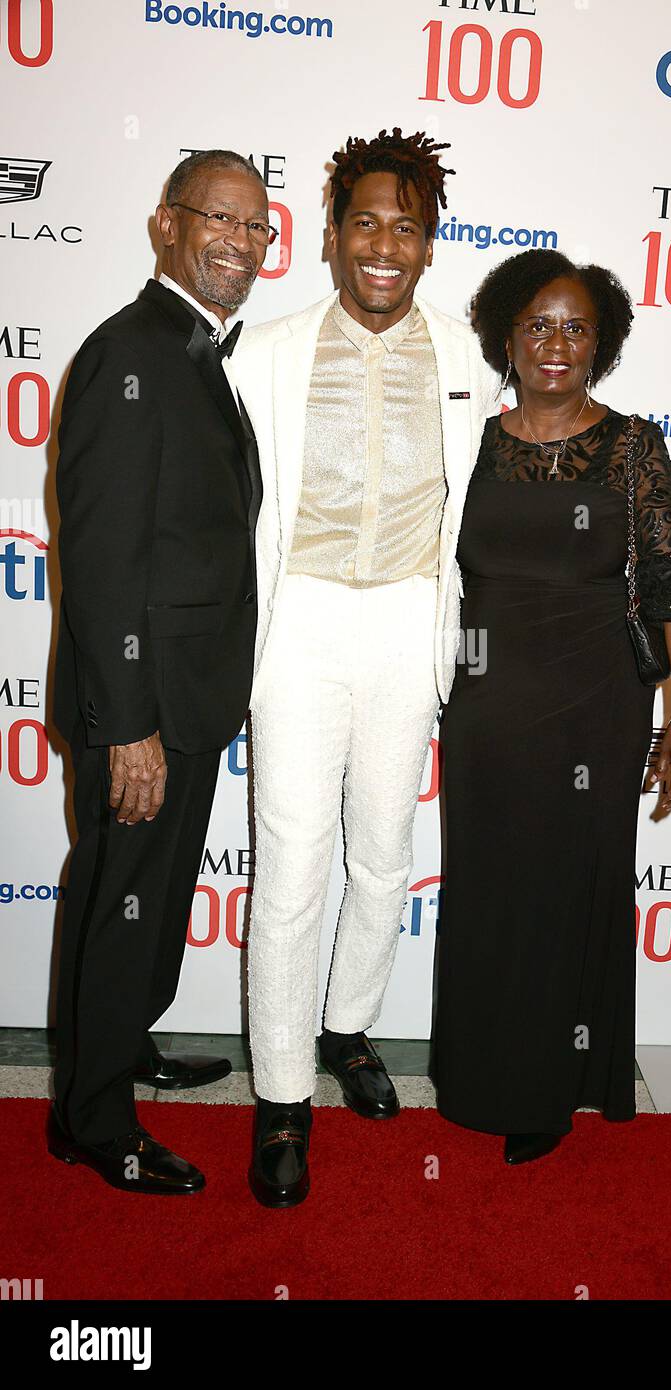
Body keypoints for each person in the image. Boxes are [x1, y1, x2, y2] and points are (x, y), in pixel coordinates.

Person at [230, 130, 671, 1208]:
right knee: (294, 866)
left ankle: (347, 1030)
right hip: (297, 624)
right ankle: (283, 1098)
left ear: (429, 246)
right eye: (365, 223)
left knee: (384, 861)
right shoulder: (265, 351)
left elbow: (582, 520)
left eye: (407, 226)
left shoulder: (457, 356)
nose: (384, 245)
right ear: (332, 234)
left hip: (410, 630)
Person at [431, 249, 671, 1165]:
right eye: (537, 326)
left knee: (565, 893)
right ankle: (479, 1072)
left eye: (577, 327)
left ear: (604, 342)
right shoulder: (467, 441)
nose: (556, 344)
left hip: (594, 699)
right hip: (483, 701)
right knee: (488, 891)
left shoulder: (634, 446)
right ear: (504, 338)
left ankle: (547, 1093)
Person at [49, 150, 271, 1194]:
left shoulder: (196, 356)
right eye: (218, 218)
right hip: (139, 709)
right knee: (119, 902)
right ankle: (92, 1121)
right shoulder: (132, 353)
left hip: (186, 703)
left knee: (149, 902)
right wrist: (126, 721)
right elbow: (98, 560)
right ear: (165, 225)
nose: (240, 240)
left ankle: (120, 1049)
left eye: (256, 227)